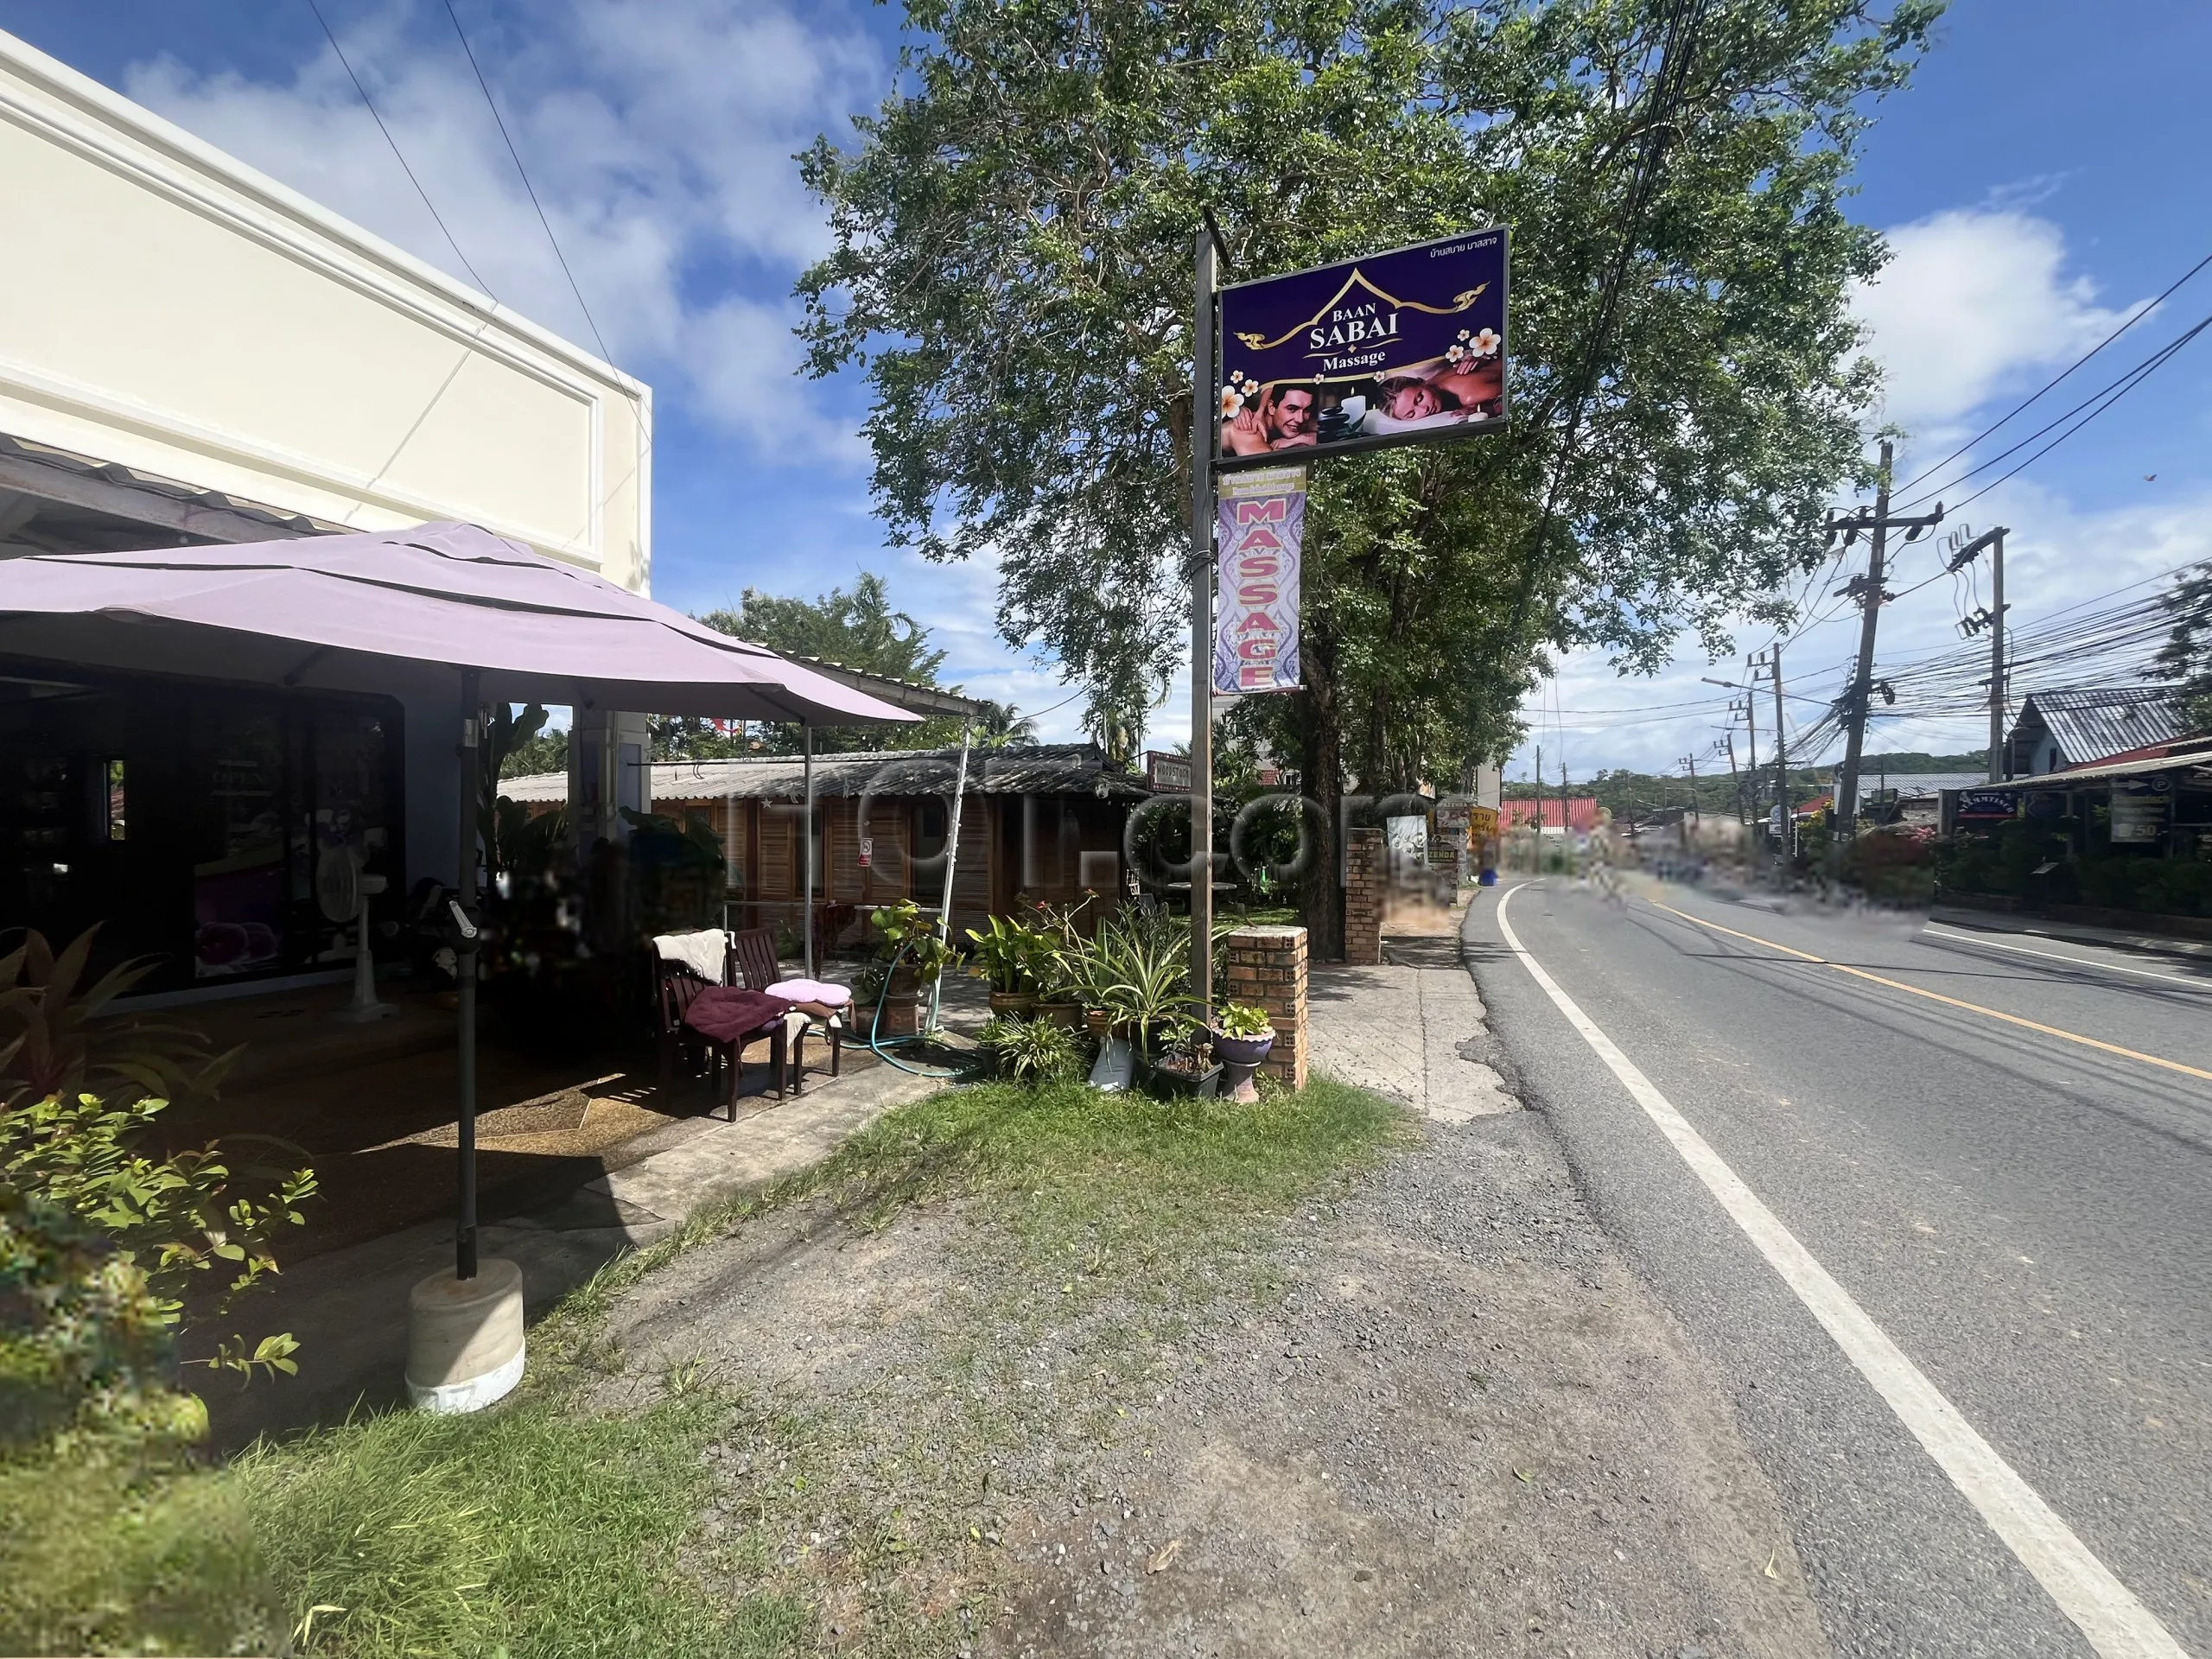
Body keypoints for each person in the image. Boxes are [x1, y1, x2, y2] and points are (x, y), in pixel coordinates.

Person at [1222, 382, 1319, 455]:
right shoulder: (1246, 427)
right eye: (1292, 409)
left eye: (1307, 410)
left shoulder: (1297, 421)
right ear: (1271, 408)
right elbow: (1269, 464)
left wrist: (1299, 439)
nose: (1300, 419)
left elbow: (1330, 432)